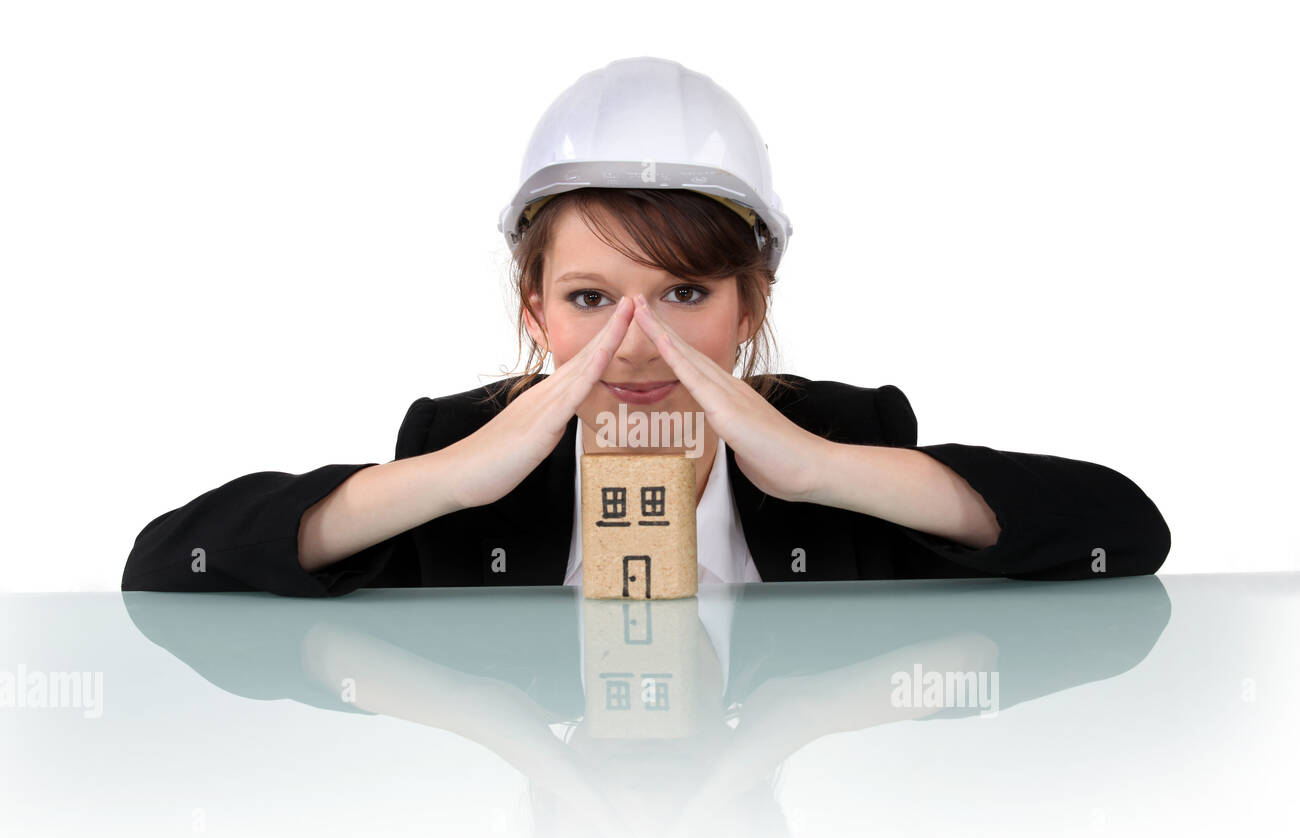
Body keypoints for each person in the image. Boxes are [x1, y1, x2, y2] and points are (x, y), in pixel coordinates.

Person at [121, 57, 1170, 598]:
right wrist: (447, 481)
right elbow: (167, 565)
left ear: (749, 304)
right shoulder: (452, 451)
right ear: (531, 309)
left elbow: (1123, 528)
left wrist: (817, 470)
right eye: (589, 299)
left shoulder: (849, 438)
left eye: (682, 294)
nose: (633, 343)